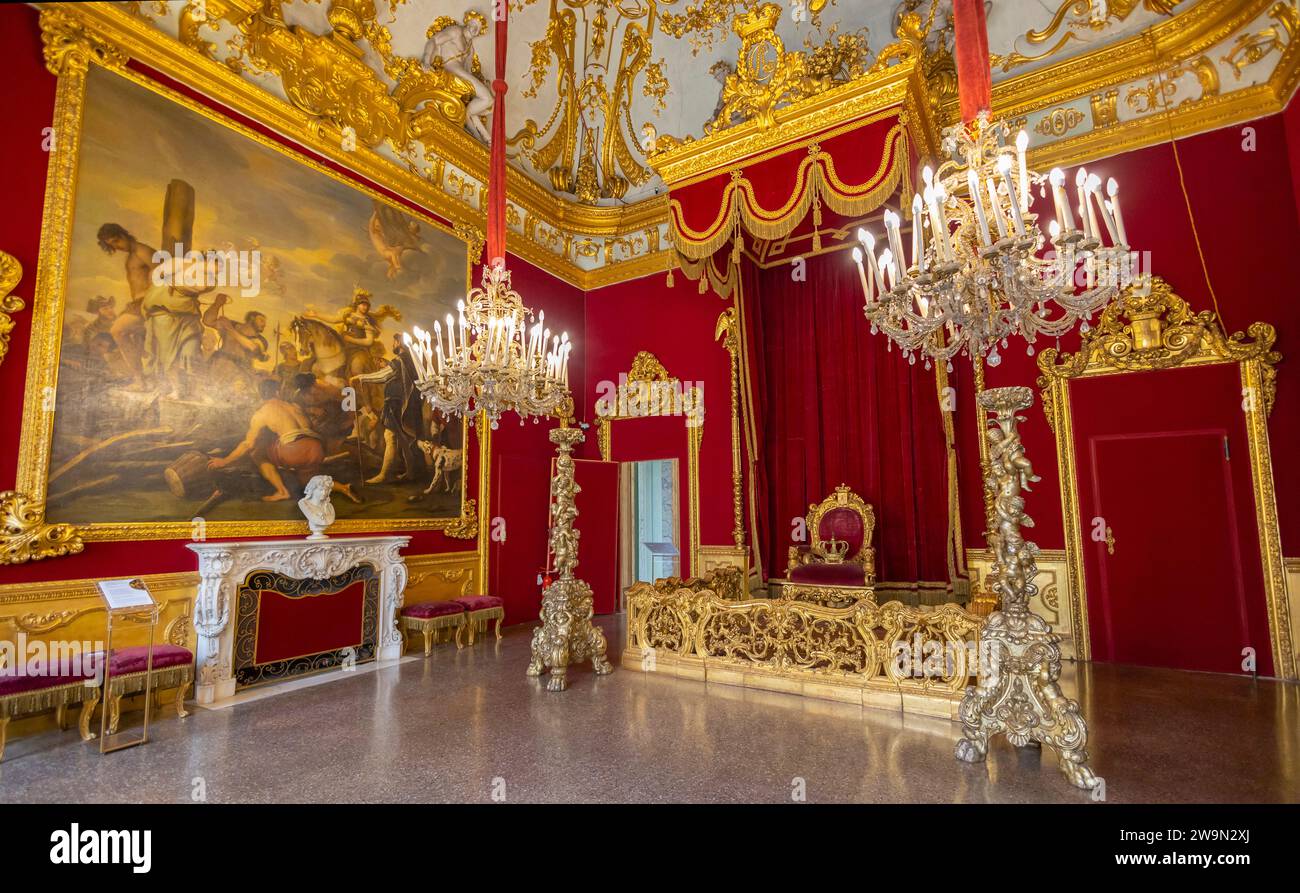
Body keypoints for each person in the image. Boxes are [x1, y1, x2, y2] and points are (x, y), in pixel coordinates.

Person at [208, 378, 359, 503]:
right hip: (317, 448)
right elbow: (310, 428)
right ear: (278, 391)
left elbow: (248, 444)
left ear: (261, 395)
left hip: (295, 451)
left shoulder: (262, 412)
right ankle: (343, 487)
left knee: (257, 452)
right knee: (307, 480)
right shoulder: (293, 406)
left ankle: (281, 491)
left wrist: (225, 461)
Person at [351, 334, 425, 484]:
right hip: (406, 406)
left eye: (394, 342)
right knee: (406, 440)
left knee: (390, 438)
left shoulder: (401, 359)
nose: (393, 345)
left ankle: (384, 475)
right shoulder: (410, 359)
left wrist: (360, 378)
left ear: (399, 343)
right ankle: (412, 473)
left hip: (398, 406)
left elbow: (384, 376)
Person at [95, 223, 153, 389]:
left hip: (146, 302)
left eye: (116, 241)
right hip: (137, 303)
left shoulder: (142, 251)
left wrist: (150, 301)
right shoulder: (133, 254)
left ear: (123, 234)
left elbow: (162, 273)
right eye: (112, 245)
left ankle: (139, 379)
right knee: (133, 338)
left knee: (118, 331)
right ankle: (140, 380)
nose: (117, 247)